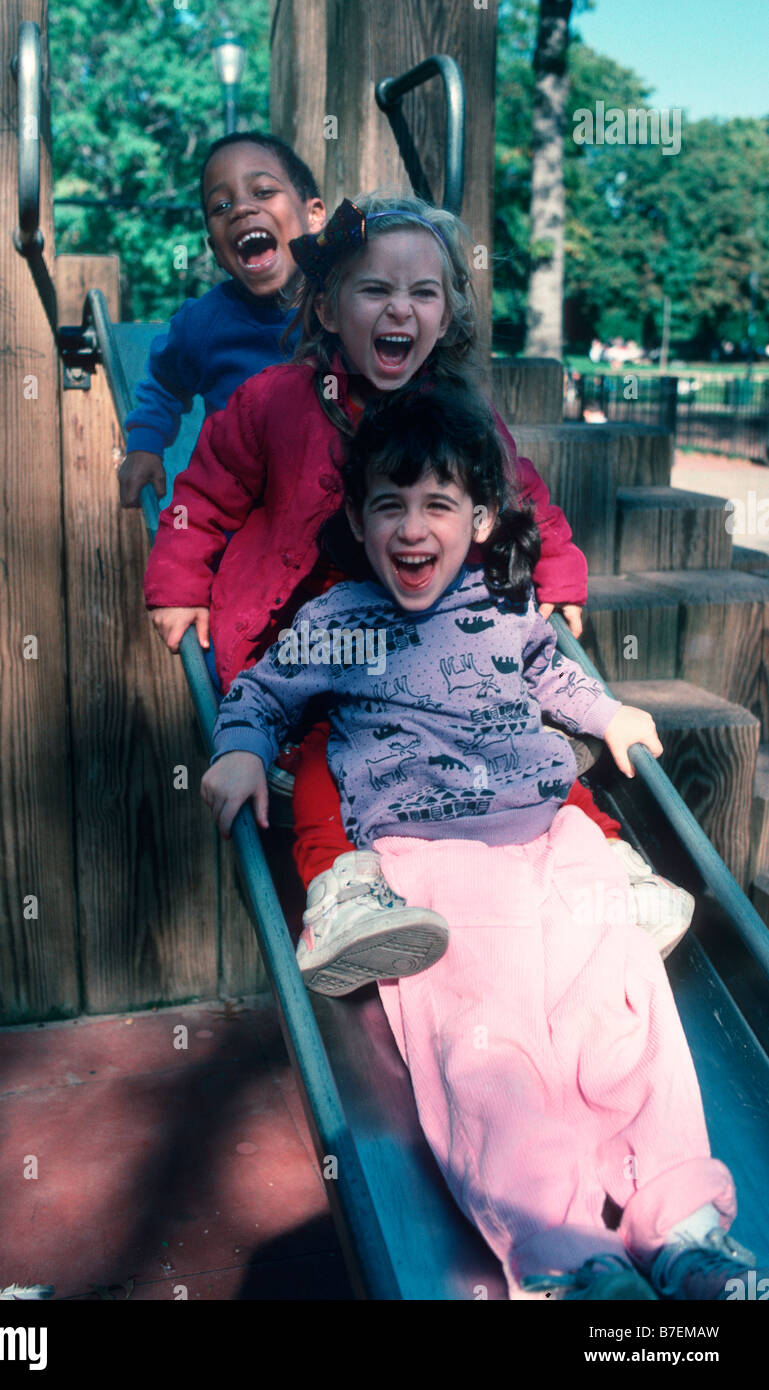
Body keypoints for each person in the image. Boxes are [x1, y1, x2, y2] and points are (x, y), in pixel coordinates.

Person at [200, 380, 763, 1301]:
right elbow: (264, 692)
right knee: (485, 1046)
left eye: (437, 505)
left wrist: (612, 714)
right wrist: (237, 751)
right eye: (389, 504)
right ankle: (564, 1253)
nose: (412, 528)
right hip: (430, 858)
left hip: (554, 841)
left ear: (484, 518)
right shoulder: (343, 624)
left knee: (627, 1011)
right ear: (357, 515)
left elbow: (555, 679)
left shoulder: (506, 612)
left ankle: (684, 1229)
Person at [144, 193, 692, 994]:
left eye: (422, 293)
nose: (398, 308)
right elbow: (208, 490)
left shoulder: (458, 417)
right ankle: (344, 897)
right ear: (328, 307)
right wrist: (177, 582)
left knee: (527, 746)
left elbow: (518, 494)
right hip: (321, 641)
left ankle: (613, 867)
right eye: (374, 291)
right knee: (329, 756)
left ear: (443, 316)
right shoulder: (272, 402)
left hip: (438, 630)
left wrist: (556, 571)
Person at [117, 132, 326, 507]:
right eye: (221, 206)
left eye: (263, 192)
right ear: (215, 250)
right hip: (240, 523)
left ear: (313, 216)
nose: (241, 209)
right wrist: (145, 445)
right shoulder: (204, 324)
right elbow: (164, 384)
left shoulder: (351, 307)